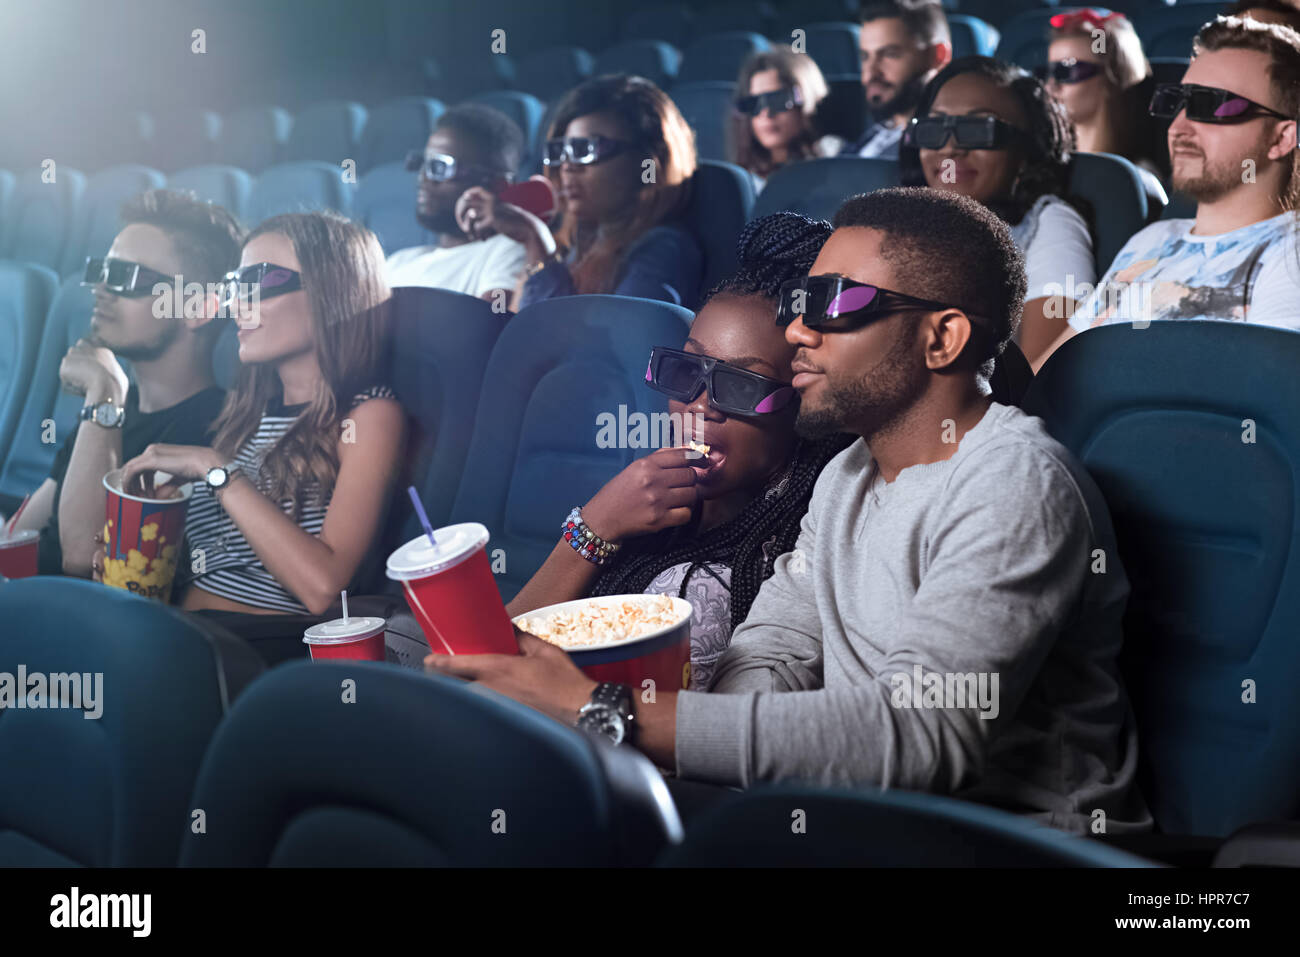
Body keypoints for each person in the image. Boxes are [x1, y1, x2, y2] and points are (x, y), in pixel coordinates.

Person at [426, 187, 1152, 837]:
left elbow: (924, 736)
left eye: (834, 305)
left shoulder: (1014, 483)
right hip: (868, 825)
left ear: (943, 337)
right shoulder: (848, 476)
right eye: (805, 304)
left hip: (1017, 842)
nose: (801, 330)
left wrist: (605, 711)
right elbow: (769, 654)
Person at [506, 213, 851, 690]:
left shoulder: (784, 565)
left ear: (803, 404)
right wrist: (594, 528)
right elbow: (487, 665)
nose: (699, 405)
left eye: (740, 384)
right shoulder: (642, 511)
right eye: (688, 370)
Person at [114, 211, 405, 630]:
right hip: (176, 629)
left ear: (331, 292)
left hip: (258, 651)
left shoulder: (368, 415)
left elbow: (323, 588)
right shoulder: (245, 416)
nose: (237, 303)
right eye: (235, 285)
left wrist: (216, 472)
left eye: (260, 282)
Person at [3, 189, 239, 578]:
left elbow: (86, 556)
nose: (100, 290)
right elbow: (19, 535)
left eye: (127, 277)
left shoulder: (218, 431)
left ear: (198, 307)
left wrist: (105, 390)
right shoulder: (108, 416)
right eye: (101, 272)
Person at [1042, 15, 1300, 357]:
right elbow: (1045, 378)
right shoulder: (1151, 241)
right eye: (1179, 102)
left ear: (1282, 138)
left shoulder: (1290, 257)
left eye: (1213, 105)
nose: (1179, 128)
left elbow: (1270, 397)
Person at [901, 56, 1095, 369]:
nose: (950, 148)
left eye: (979, 130)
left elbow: (1040, 374)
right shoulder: (892, 223)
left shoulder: (1051, 223)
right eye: (934, 127)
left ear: (1027, 150)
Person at [454, 74, 703, 310]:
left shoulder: (663, 248)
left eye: (587, 148)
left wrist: (535, 242)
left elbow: (580, 347)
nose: (568, 166)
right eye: (563, 151)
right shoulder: (576, 244)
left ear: (649, 159)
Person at [384, 103, 529, 307]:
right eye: (423, 163)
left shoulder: (508, 251)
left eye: (440, 166)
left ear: (495, 184)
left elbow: (490, 329)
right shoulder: (399, 261)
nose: (424, 177)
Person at [1043, 8, 1169, 182]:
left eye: (1067, 70)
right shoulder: (1044, 167)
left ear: (1110, 79)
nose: (1051, 85)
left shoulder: (1136, 178)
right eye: (1049, 71)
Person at [842, 0, 952, 159]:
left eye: (889, 54)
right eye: (865, 57)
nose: (870, 74)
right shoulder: (874, 136)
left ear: (938, 55)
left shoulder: (947, 150)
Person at [729, 48, 844, 192]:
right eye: (754, 103)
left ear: (806, 97)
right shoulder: (743, 181)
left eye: (778, 99)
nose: (766, 113)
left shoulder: (832, 154)